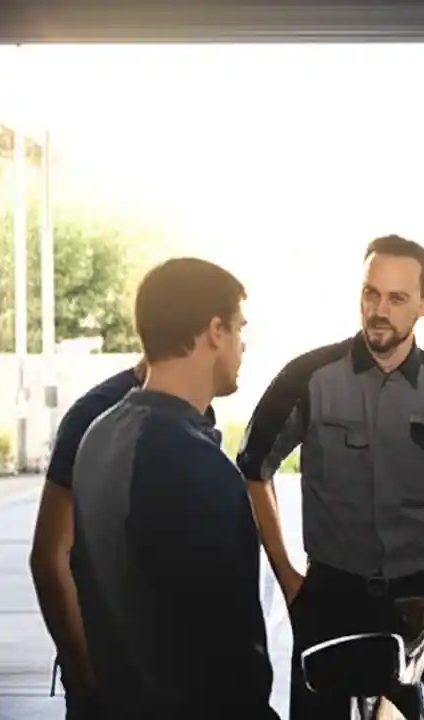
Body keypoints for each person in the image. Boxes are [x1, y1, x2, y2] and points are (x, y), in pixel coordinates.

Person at [237, 234, 424, 719]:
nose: (380, 309)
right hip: (329, 596)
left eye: (398, 298)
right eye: (370, 293)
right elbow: (253, 467)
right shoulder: (308, 378)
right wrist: (291, 580)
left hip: (417, 602)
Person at [70, 257, 278, 719]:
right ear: (214, 331)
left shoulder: (99, 435)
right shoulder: (194, 465)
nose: (243, 345)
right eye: (239, 328)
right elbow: (227, 651)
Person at [28, 359, 217, 717]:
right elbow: (50, 558)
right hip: (113, 679)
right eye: (232, 327)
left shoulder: (192, 412)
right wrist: (88, 679)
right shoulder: (98, 414)